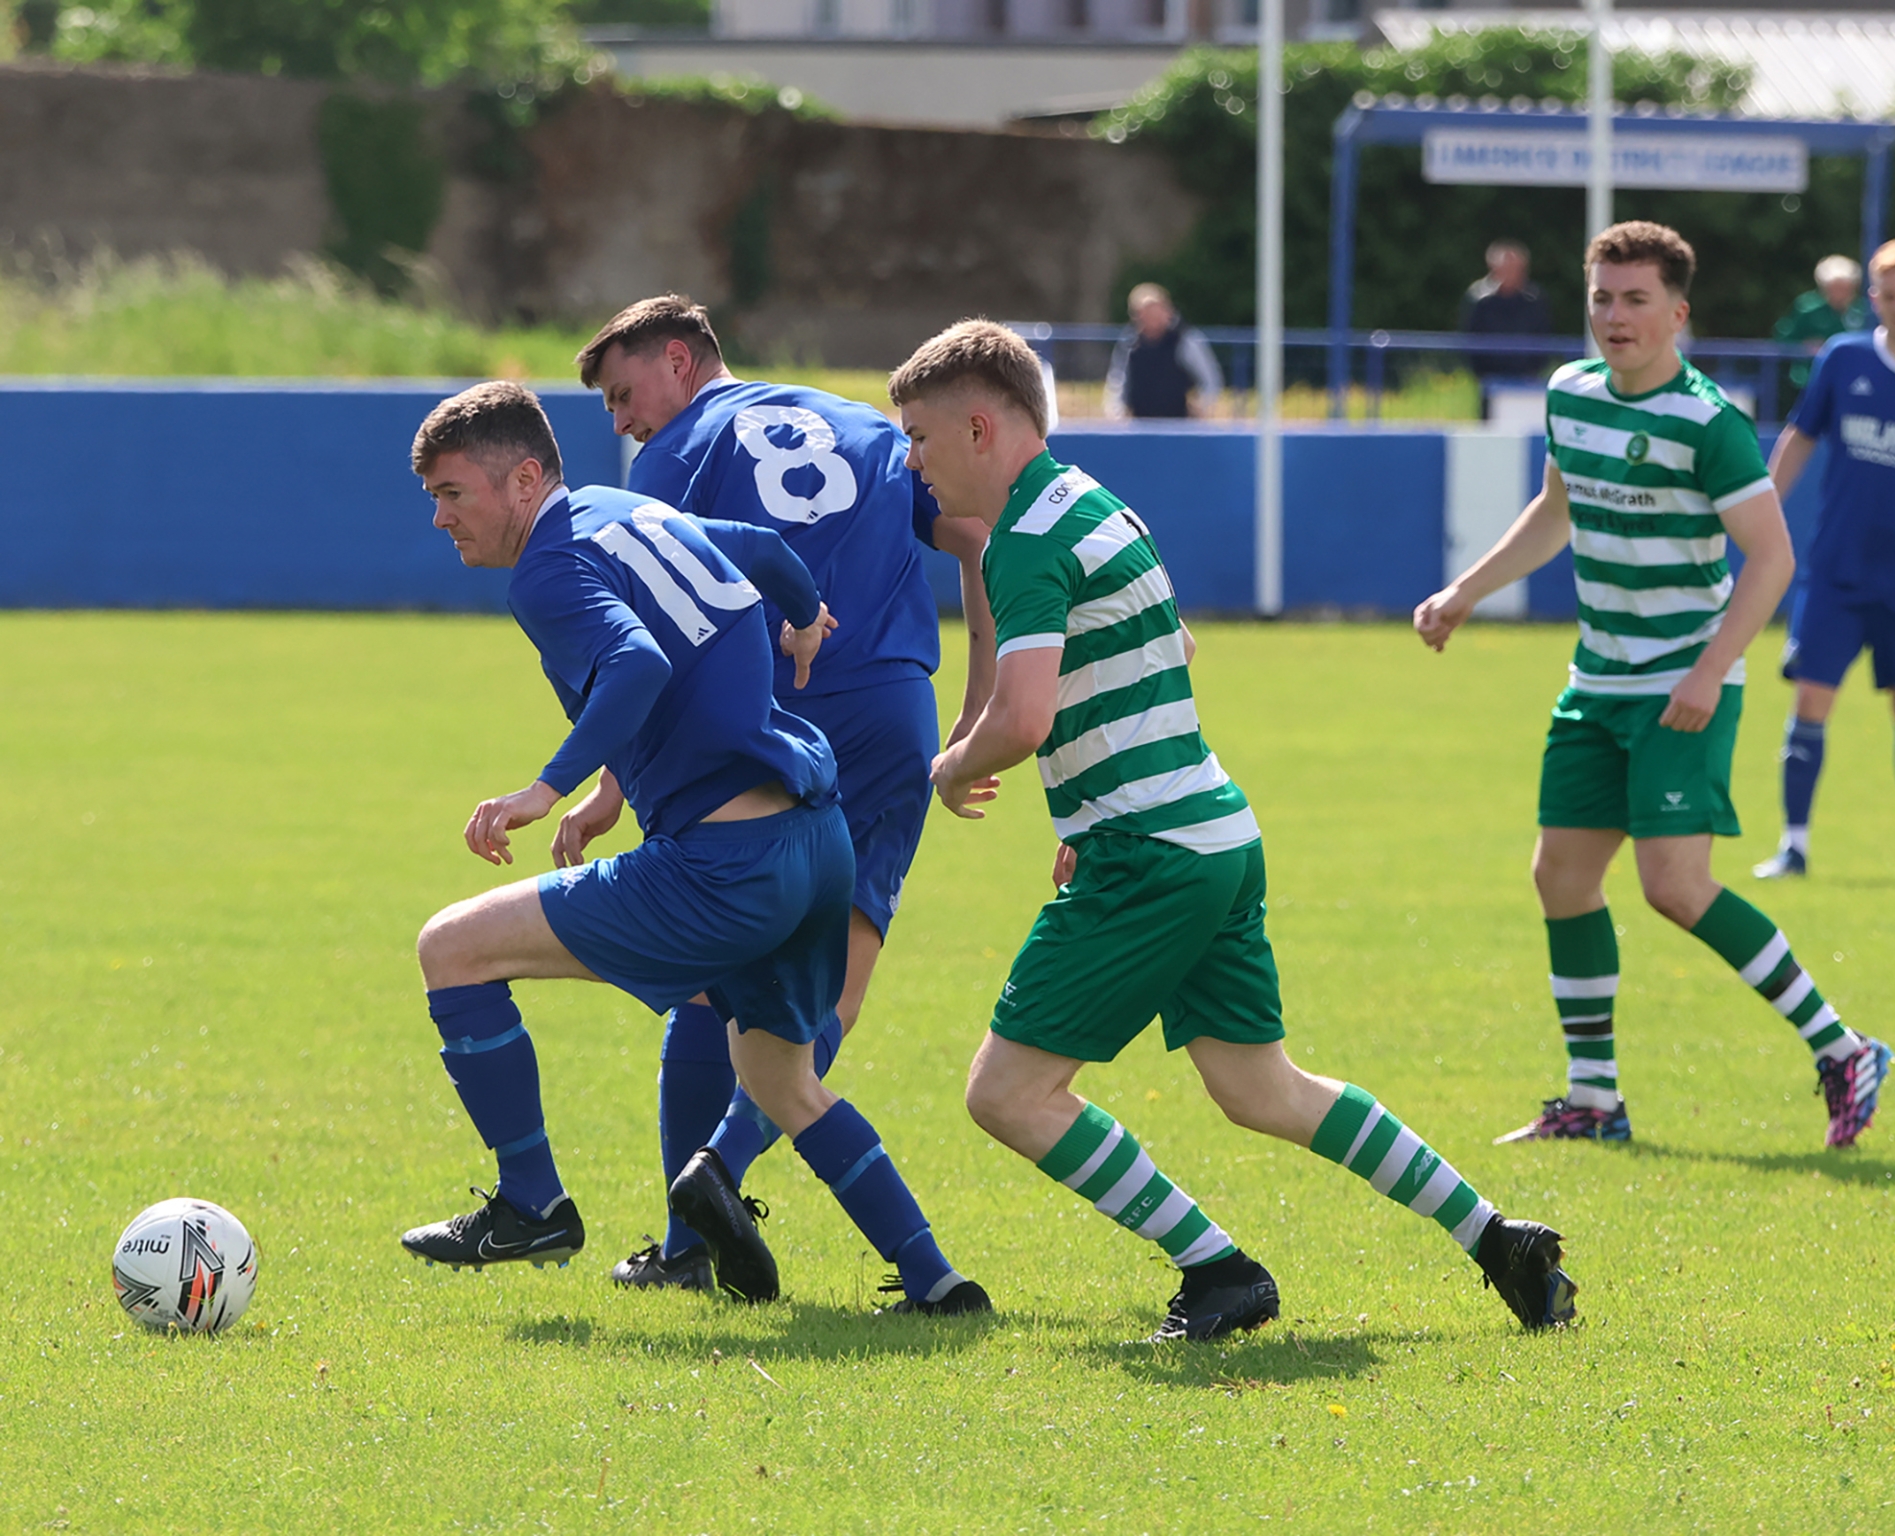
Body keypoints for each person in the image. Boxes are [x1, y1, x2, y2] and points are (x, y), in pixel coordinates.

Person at [890, 319, 1576, 1341]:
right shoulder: (1096, 504)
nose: (914, 463)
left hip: (1150, 856)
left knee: (1009, 1093)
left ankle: (1219, 1271)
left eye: (919, 439)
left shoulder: (1029, 539)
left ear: (981, 427)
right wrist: (1083, 797)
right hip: (1210, 833)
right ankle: (1496, 1237)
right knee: (1264, 1088)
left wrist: (948, 768)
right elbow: (1176, 652)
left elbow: (1024, 718)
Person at [399, 381, 988, 1317]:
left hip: (723, 869)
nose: (439, 517)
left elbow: (636, 662)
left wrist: (545, 788)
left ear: (521, 479)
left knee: (450, 948)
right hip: (813, 842)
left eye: (453, 492)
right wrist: (801, 619)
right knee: (782, 1082)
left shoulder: (545, 571)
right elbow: (762, 550)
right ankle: (939, 1283)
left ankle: (532, 1205)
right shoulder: (616, 507)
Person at [1414, 221, 1893, 1150]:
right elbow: (1556, 511)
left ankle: (1841, 1047)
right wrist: (1466, 589)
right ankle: (1594, 1099)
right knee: (1561, 875)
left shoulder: (1706, 420)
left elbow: (1772, 557)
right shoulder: (1570, 395)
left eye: (1636, 301)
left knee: (1674, 887)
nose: (1615, 317)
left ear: (1678, 313)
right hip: (1597, 681)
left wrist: (1710, 671)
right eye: (1602, 297)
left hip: (1683, 683)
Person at [570, 295, 995, 1295]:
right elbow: (976, 534)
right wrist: (976, 716)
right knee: (832, 989)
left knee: (715, 971)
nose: (624, 420)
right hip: (893, 717)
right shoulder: (864, 423)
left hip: (772, 729)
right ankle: (722, 1169)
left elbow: (655, 639)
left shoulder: (674, 455)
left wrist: (605, 785)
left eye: (626, 394)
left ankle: (688, 1236)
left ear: (681, 361)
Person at [1754, 239, 1895, 884]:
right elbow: (1799, 437)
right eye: (1892, 294)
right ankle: (1793, 845)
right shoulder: (1843, 359)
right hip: (1838, 571)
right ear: (1872, 298)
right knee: (1810, 701)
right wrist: (1764, 513)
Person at [1102, 283, 1223, 421]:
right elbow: (1117, 382)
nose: (1152, 318)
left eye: (1156, 311)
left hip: (1181, 426)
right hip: (1139, 426)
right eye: (1145, 314)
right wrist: (1117, 413)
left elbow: (1210, 380)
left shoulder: (1185, 340)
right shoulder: (1129, 344)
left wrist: (1202, 405)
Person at [1459, 239, 1554, 413]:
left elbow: (1543, 336)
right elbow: (1470, 340)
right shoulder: (1479, 299)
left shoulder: (1535, 299)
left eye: (1516, 268)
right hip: (1490, 381)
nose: (1511, 274)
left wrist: (1533, 372)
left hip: (1527, 381)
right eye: (1506, 268)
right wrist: (1483, 375)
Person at [1774, 255, 1870, 390]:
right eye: (1835, 287)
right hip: (1809, 378)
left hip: (1854, 377)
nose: (1840, 293)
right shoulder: (1807, 308)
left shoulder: (1864, 311)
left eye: (1845, 287)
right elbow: (1783, 339)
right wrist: (1805, 345)